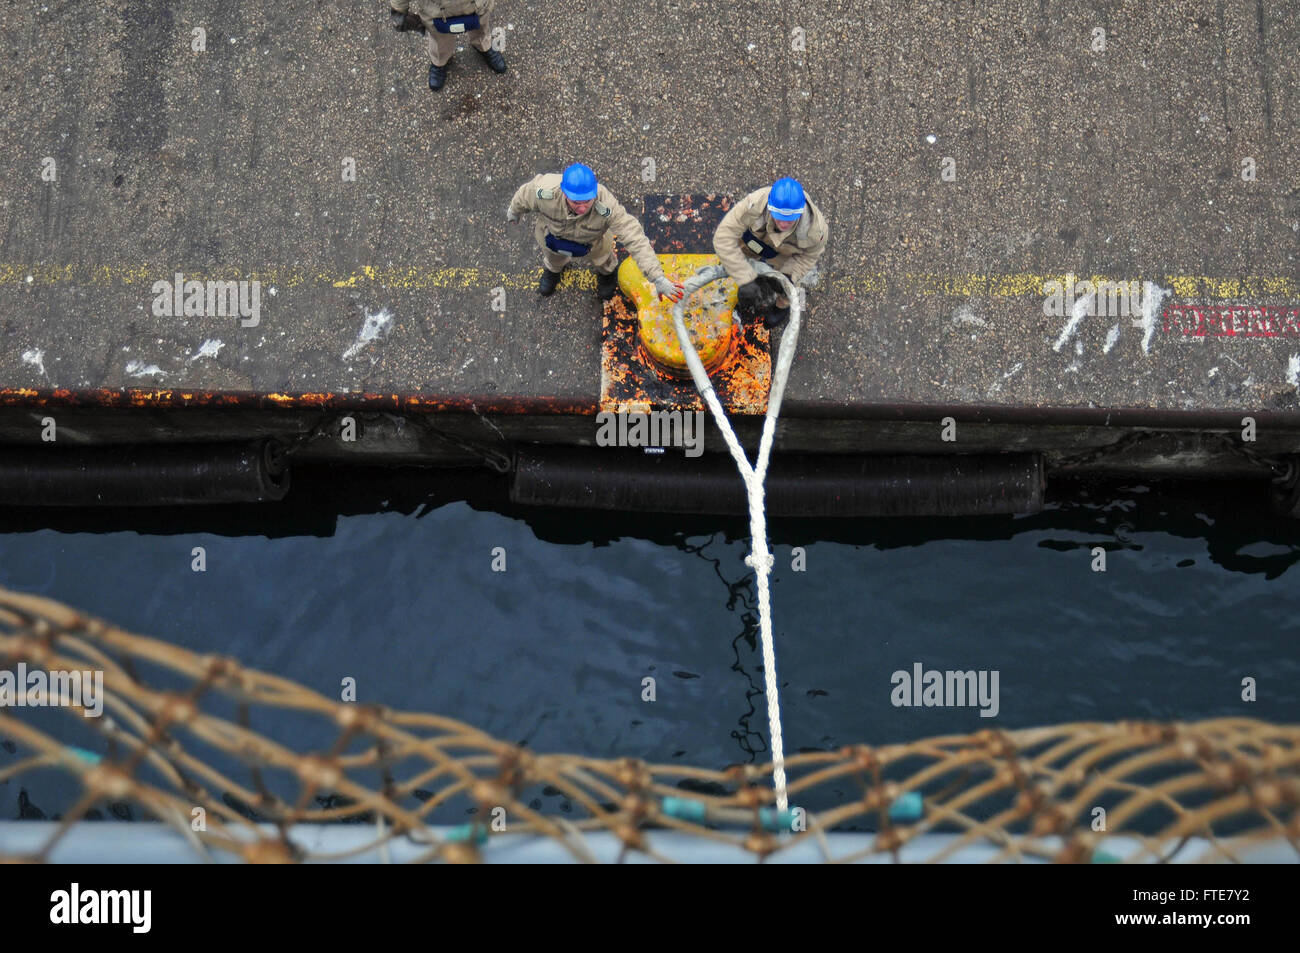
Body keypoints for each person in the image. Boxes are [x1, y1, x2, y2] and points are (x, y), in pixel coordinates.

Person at [507, 164, 685, 302]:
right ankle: (554, 270)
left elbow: (634, 237)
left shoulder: (606, 205)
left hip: (593, 243)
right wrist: (514, 212)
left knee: (604, 260)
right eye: (576, 202)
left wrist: (657, 277)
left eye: (587, 201)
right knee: (553, 258)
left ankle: (606, 274)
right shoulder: (544, 191)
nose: (583, 207)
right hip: (553, 238)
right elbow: (523, 196)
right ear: (564, 192)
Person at [713, 177, 828, 328]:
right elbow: (723, 235)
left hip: (785, 253)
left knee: (791, 286)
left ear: (800, 213)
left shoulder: (816, 230)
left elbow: (810, 256)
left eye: (790, 219)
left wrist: (789, 275)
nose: (783, 223)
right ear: (770, 207)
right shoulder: (754, 203)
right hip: (756, 240)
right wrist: (744, 277)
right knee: (733, 258)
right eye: (779, 216)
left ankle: (782, 306)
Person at [389, 0, 506, 91]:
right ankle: (440, 60)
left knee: (480, 27)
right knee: (440, 40)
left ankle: (483, 45)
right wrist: (398, 8)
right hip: (437, 10)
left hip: (476, 5)